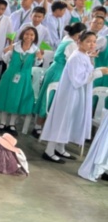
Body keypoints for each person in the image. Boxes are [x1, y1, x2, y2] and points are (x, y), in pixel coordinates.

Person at [40, 31, 108, 163]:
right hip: (70, 94)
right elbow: (78, 79)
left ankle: (60, 148)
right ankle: (49, 150)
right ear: (79, 42)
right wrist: (99, 72)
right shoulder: (76, 57)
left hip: (78, 95)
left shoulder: (84, 55)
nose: (92, 44)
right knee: (61, 120)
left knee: (69, 120)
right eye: (88, 41)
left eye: (94, 41)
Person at [32, 22, 88, 137]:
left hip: (54, 69)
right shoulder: (72, 44)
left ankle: (39, 126)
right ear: (79, 35)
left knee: (46, 98)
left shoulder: (66, 38)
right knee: (50, 99)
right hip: (60, 72)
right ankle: (39, 127)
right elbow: (72, 62)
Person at [0, 26, 42, 136]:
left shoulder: (35, 50)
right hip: (10, 75)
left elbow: (36, 64)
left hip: (24, 78)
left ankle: (12, 124)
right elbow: (6, 59)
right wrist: (6, 52)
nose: (29, 37)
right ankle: (2, 122)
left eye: (32, 35)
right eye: (27, 34)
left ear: (35, 37)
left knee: (17, 100)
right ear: (22, 35)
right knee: (7, 98)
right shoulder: (14, 47)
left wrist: (39, 58)